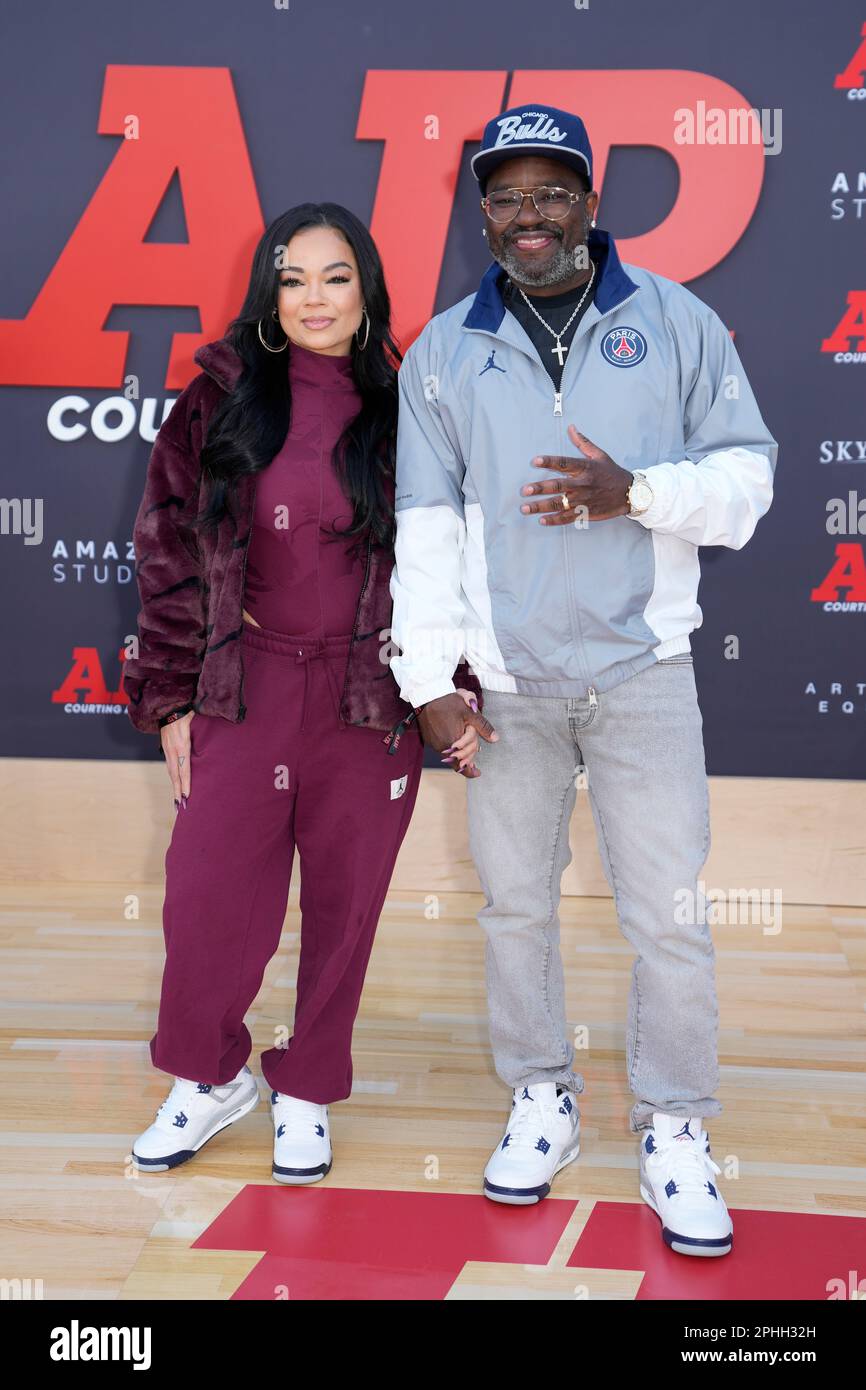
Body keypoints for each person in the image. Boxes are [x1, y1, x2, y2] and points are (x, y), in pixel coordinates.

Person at [389, 104, 778, 1256]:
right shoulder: (443, 349)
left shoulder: (675, 322)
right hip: (508, 689)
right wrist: (427, 681)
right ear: (483, 215)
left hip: (643, 674)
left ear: (591, 202)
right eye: (503, 197)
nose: (527, 217)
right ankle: (540, 1095)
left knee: (666, 915)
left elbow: (747, 480)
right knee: (514, 907)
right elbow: (423, 532)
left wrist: (637, 493)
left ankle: (674, 1124)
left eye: (549, 192)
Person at [122, 204, 484, 1184]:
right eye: (293, 279)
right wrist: (171, 699)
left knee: (345, 902)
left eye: (334, 277)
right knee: (205, 896)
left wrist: (448, 687)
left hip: (370, 698)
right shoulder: (218, 400)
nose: (314, 298)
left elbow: (445, 563)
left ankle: (308, 1086)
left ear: (365, 289)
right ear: (268, 294)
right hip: (245, 685)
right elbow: (168, 555)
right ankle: (206, 1076)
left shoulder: (412, 406)